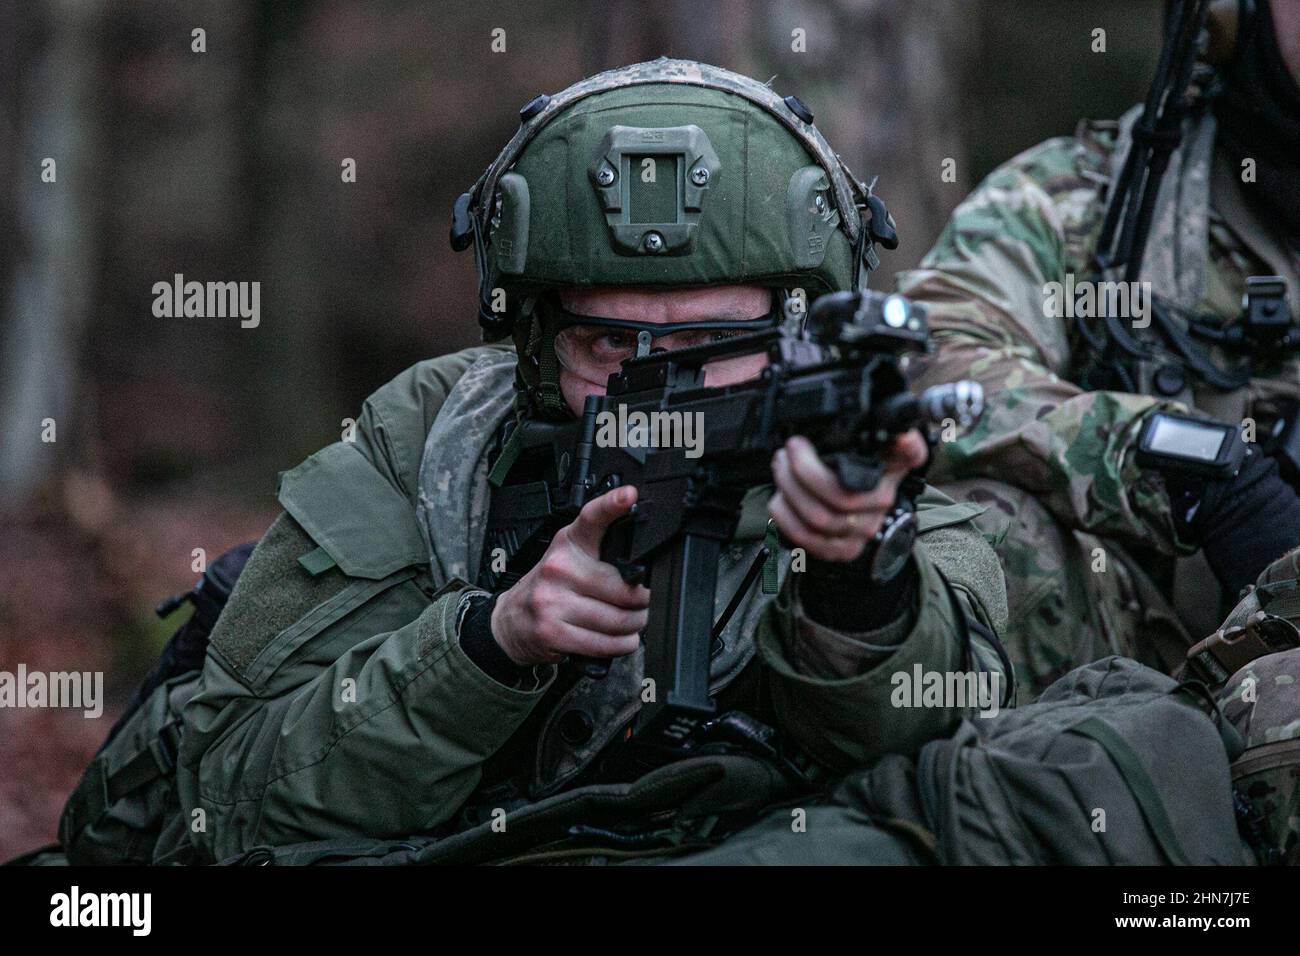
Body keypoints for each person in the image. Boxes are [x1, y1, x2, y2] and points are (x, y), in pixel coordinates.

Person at [173, 58, 1010, 865]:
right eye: (612, 340)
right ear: (538, 347)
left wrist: (856, 588)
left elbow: (952, 778)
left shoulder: (893, 502)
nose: (664, 379)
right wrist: (488, 645)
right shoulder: (433, 448)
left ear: (801, 331)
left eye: (716, 342)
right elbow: (230, 798)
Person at [898, 0, 1300, 696]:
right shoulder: (1081, 203)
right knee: (992, 532)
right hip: (1165, 696)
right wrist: (1198, 473)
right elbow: (931, 364)